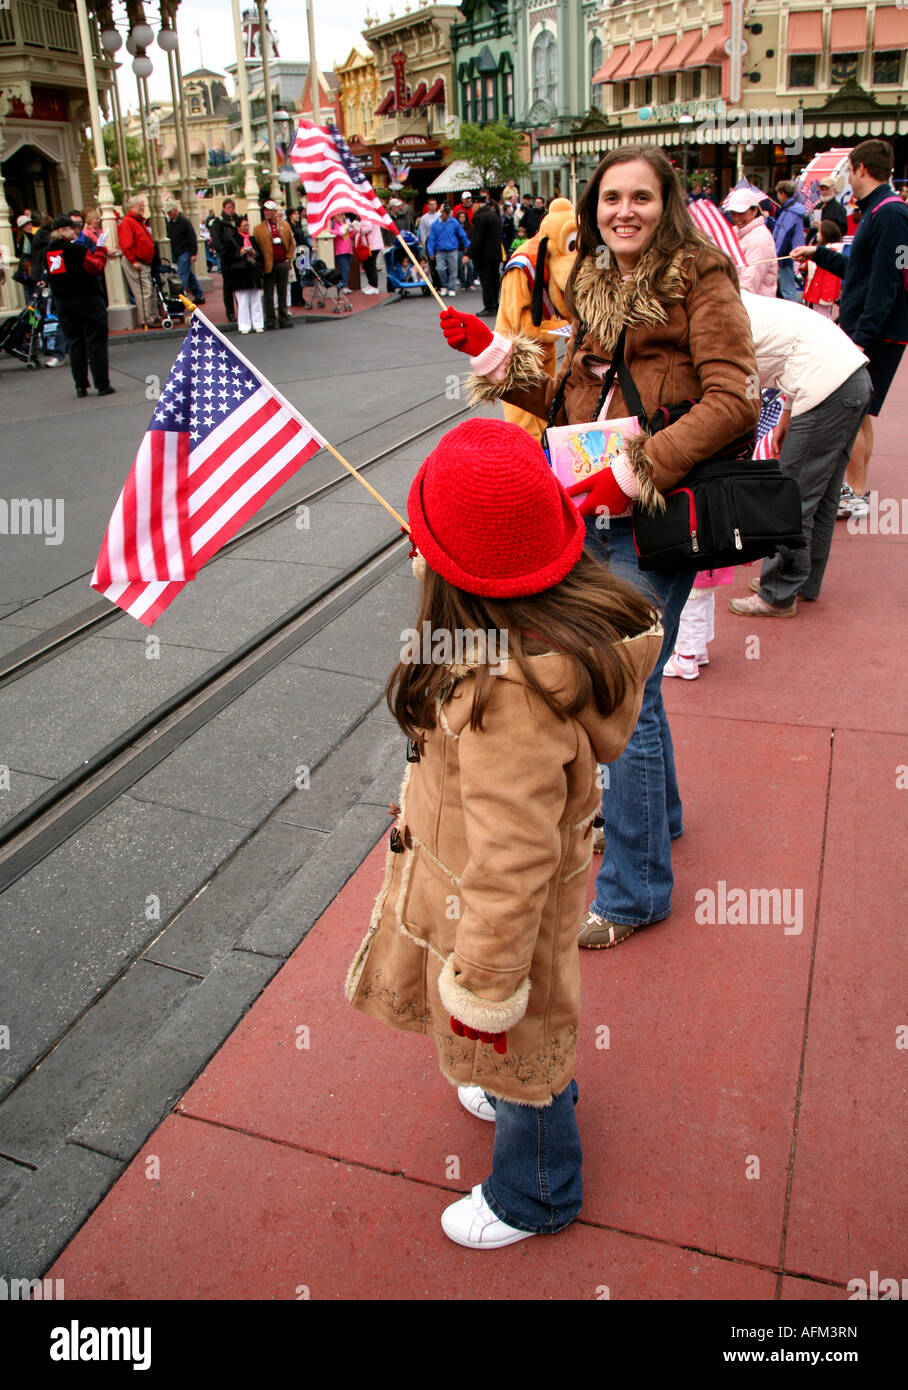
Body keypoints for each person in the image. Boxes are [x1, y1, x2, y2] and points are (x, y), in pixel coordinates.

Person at [345, 417, 662, 1247]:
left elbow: (514, 856)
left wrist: (485, 985)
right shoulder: (513, 645)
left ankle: (538, 1191)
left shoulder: (508, 693)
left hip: (502, 917)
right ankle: (516, 1079)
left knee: (526, 1034)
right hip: (507, 892)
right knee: (534, 1026)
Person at [440, 144, 760, 947]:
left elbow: (735, 401)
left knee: (620, 689)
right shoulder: (595, 282)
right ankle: (660, 819)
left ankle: (634, 891)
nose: (625, 211)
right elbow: (564, 393)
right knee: (635, 681)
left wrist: (639, 467)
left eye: (640, 198)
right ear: (593, 208)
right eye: (611, 198)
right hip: (595, 505)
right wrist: (489, 354)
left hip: (660, 508)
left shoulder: (701, 278)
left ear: (666, 202)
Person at [728, 291, 872, 617]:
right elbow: (792, 353)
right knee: (819, 497)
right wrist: (787, 414)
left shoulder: (722, 315)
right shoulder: (742, 302)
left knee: (790, 496)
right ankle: (802, 583)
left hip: (827, 386)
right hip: (849, 380)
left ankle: (778, 592)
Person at [791, 139, 908, 522]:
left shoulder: (888, 213)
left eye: (847, 172)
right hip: (872, 328)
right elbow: (861, 274)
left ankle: (856, 492)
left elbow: (885, 283)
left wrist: (861, 336)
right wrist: (819, 254)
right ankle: (857, 489)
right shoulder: (879, 210)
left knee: (854, 413)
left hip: (875, 331)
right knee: (862, 413)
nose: (844, 180)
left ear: (859, 169)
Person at [43, 215, 114, 398]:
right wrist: (100, 248)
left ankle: (80, 385)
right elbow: (95, 266)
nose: (74, 230)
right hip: (87, 299)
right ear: (63, 230)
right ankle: (102, 384)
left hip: (64, 302)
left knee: (76, 344)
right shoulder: (77, 250)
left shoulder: (49, 253)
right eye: (70, 228)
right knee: (95, 343)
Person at [725, 187, 777, 296]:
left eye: (741, 213)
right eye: (733, 213)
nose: (736, 218)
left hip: (755, 304)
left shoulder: (759, 239)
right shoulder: (736, 233)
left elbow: (748, 283)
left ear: (755, 210)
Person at [118, 195, 159, 328]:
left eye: (143, 205)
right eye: (139, 206)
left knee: (149, 289)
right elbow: (126, 244)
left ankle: (152, 316)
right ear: (132, 207)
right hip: (136, 262)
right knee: (143, 291)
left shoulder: (138, 221)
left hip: (144, 262)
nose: (142, 208)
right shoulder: (128, 222)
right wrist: (133, 260)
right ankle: (147, 319)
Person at [220, 215, 265, 334]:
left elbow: (260, 255)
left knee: (256, 300)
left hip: (253, 273)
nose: (247, 227)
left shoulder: (253, 239)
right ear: (238, 227)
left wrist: (254, 252)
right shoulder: (232, 240)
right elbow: (226, 256)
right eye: (244, 225)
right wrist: (240, 252)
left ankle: (258, 323)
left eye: (248, 225)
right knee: (243, 301)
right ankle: (244, 325)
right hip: (239, 274)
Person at [253, 199, 294, 328]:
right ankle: (270, 319)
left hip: (282, 262)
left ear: (275, 212)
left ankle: (283, 317)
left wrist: (288, 258)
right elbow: (258, 246)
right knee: (269, 294)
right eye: (265, 210)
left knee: (282, 292)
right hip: (268, 264)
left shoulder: (285, 226)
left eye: (269, 210)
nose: (267, 213)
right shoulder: (258, 229)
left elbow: (291, 243)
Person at [466, 192, 503, 317]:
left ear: (477, 204)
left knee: (487, 282)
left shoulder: (480, 217)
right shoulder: (494, 215)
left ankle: (489, 306)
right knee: (494, 281)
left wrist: (468, 254)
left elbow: (477, 237)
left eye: (473, 205)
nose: (472, 208)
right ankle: (495, 304)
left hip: (484, 256)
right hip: (495, 254)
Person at [772, 180, 808, 301]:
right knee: (787, 286)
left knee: (787, 289)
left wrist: (777, 254)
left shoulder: (790, 212)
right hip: (791, 252)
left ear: (782, 193)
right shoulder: (790, 210)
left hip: (787, 254)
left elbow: (784, 234)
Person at [801, 220, 844, 319]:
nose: (817, 234)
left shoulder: (831, 254)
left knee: (822, 319)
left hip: (820, 296)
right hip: (815, 293)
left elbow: (830, 280)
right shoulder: (824, 251)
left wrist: (825, 298)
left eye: (819, 232)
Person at [426, 204, 468, 297]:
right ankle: (444, 285)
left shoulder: (454, 222)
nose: (447, 214)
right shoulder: (435, 224)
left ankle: (451, 288)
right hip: (440, 250)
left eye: (448, 212)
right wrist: (431, 251)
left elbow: (462, 234)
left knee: (453, 270)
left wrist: (467, 244)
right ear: (441, 212)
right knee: (440, 269)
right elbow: (432, 239)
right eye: (445, 212)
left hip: (452, 249)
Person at [165, 203, 204, 304]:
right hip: (178, 252)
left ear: (175, 210)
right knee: (189, 274)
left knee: (182, 275)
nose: (169, 214)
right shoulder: (170, 224)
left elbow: (192, 237)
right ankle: (199, 294)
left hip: (184, 251)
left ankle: (181, 297)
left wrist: (193, 253)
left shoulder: (184, 222)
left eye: (170, 211)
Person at [210, 198, 240, 322]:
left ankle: (241, 310)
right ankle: (230, 312)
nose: (231, 210)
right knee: (228, 286)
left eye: (232, 208)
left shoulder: (237, 220)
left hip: (238, 257)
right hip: (227, 258)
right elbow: (215, 241)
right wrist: (223, 250)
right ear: (223, 208)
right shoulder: (219, 223)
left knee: (239, 285)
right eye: (228, 208)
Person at [351, 215, 385, 294]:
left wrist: (357, 227)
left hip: (372, 245)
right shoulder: (367, 215)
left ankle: (374, 286)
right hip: (371, 245)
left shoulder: (367, 216)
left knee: (370, 265)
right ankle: (371, 284)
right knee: (367, 265)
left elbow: (367, 228)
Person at [328, 214, 354, 289]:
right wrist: (339, 233)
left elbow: (351, 236)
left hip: (348, 250)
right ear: (334, 216)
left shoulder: (345, 224)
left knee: (345, 269)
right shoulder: (331, 223)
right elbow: (329, 231)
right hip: (339, 250)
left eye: (342, 215)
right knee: (345, 269)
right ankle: (343, 286)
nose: (340, 216)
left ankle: (343, 285)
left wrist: (351, 230)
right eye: (338, 215)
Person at [456, 211, 475, 290]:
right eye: (460, 217)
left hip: (468, 248)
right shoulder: (456, 226)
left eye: (463, 217)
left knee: (470, 266)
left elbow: (472, 237)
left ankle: (470, 282)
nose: (462, 219)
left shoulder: (469, 226)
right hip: (459, 248)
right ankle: (463, 284)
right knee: (461, 267)